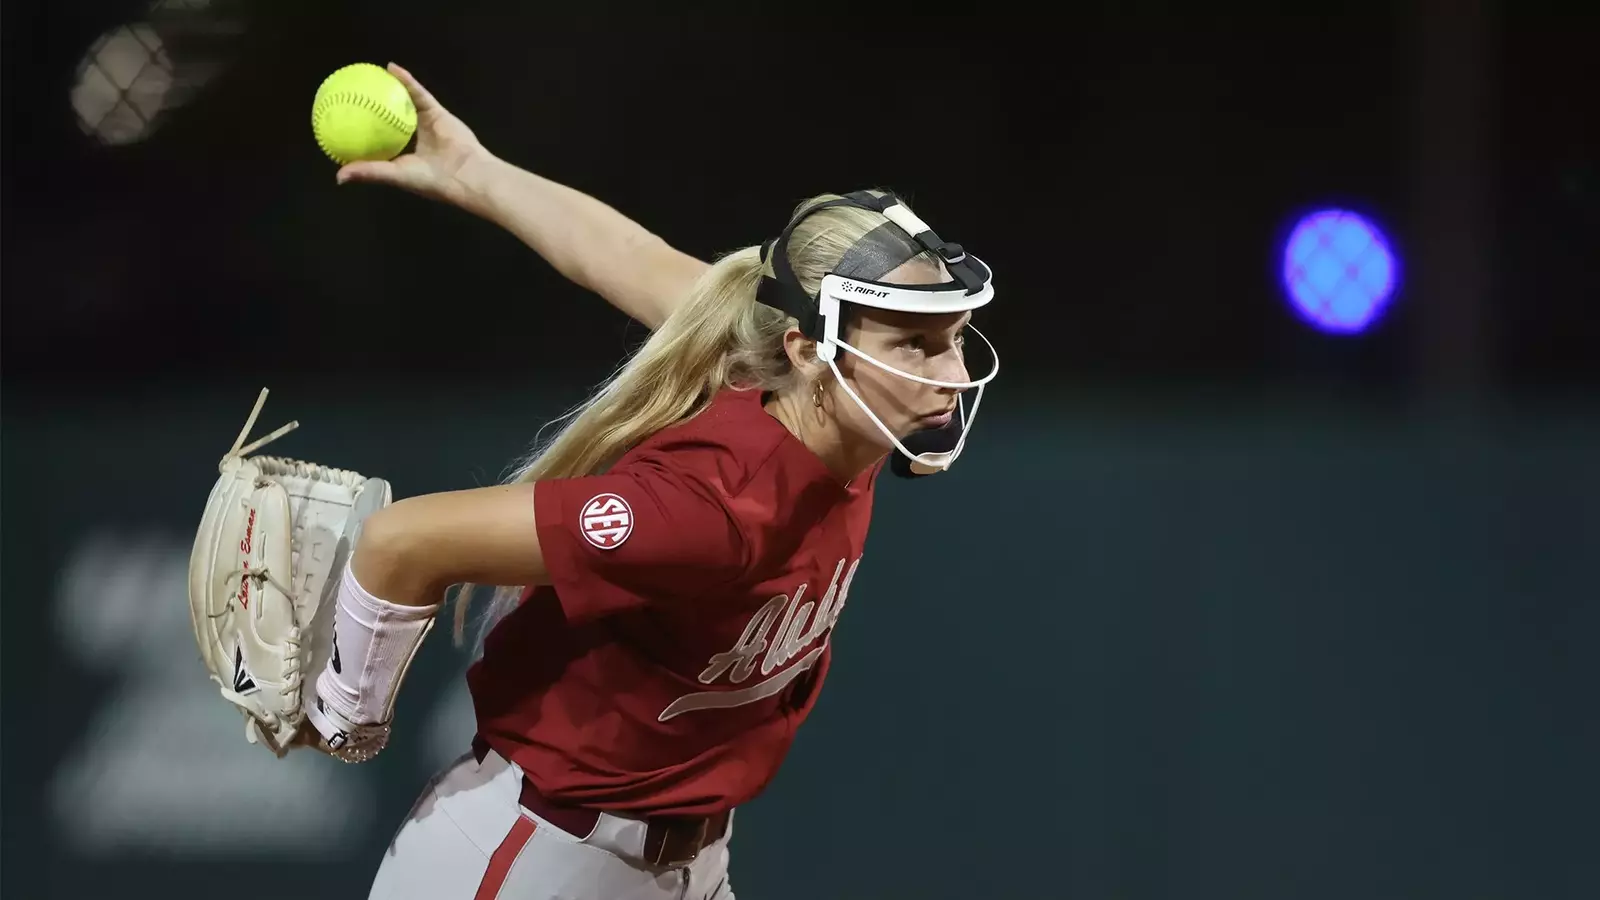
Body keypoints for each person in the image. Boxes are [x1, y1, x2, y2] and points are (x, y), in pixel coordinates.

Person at [299, 63, 999, 900]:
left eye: (955, 336)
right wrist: (344, 716)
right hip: (533, 862)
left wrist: (472, 169)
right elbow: (404, 539)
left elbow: (630, 256)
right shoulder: (706, 508)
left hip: (683, 866)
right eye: (915, 342)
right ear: (811, 350)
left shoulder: (810, 389)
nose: (953, 371)